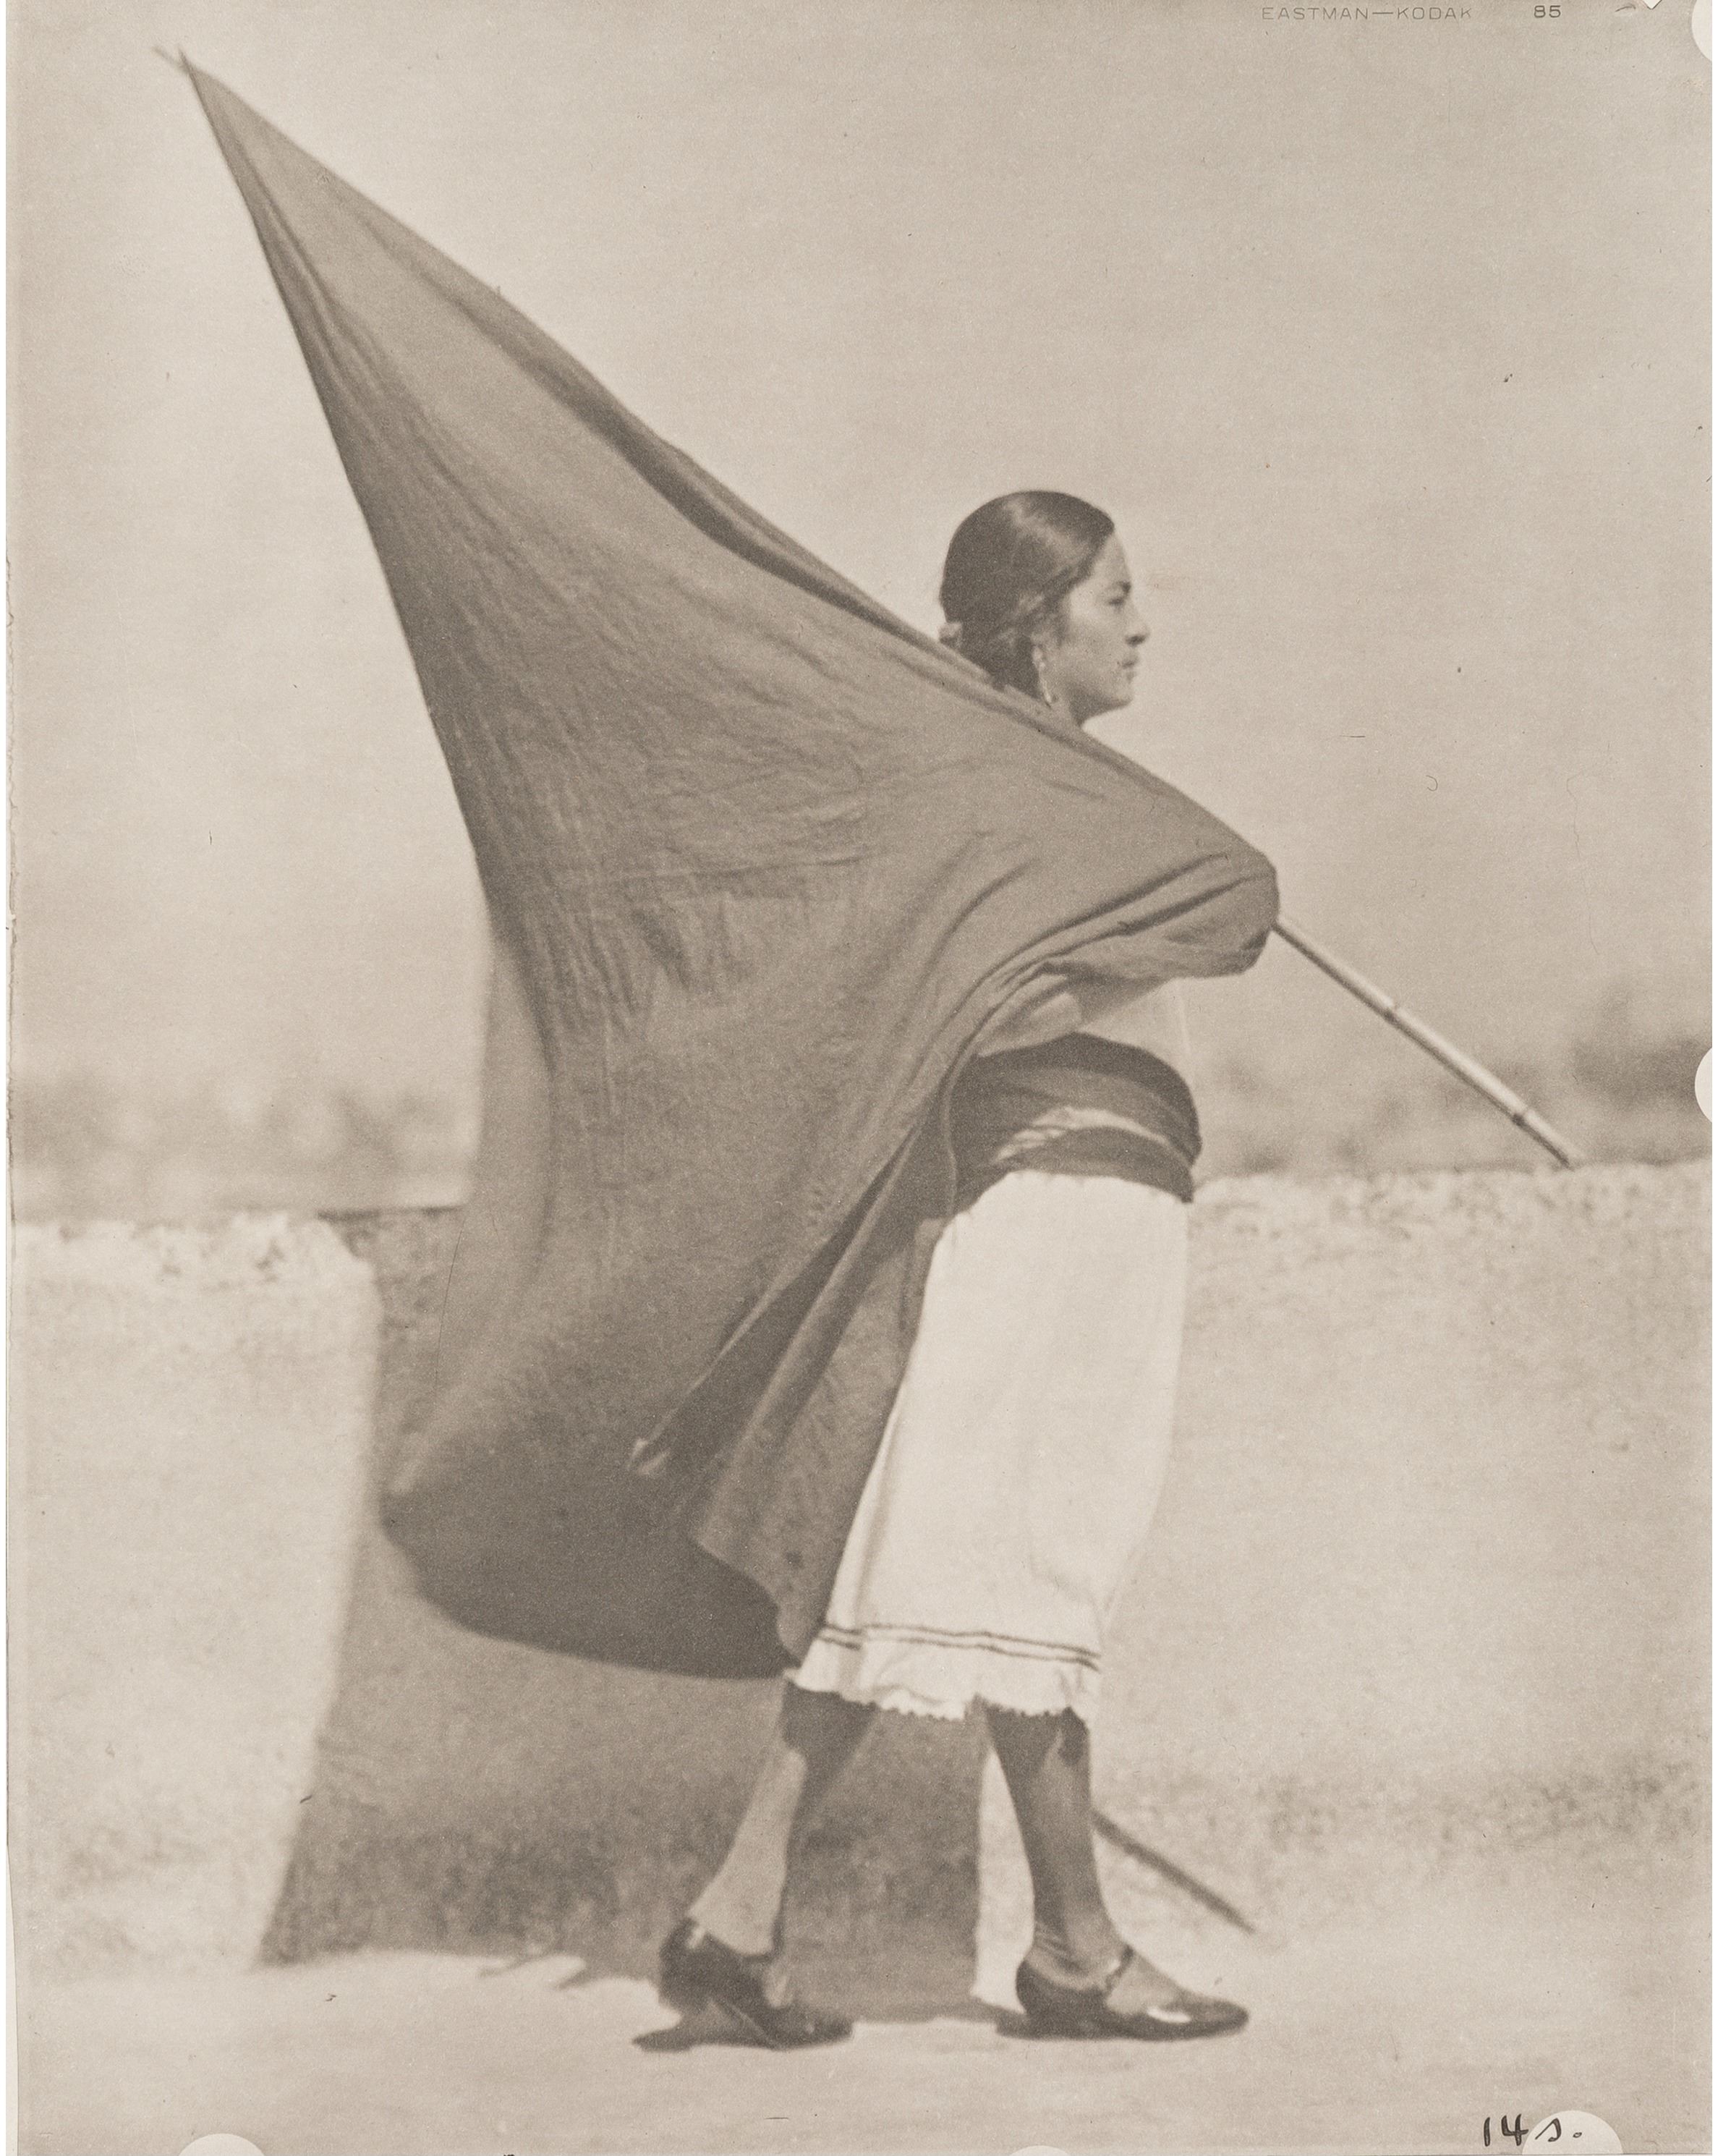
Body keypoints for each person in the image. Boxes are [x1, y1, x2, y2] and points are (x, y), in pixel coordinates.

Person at [658, 493, 1249, 2050]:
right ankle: (1071, 1949)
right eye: (1115, 598)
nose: (1141, 623)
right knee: (1007, 1563)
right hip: (1048, 1209)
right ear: (1037, 626)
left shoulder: (1039, 789)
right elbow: (1016, 978)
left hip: (1080, 1204)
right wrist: (1161, 885)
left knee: (940, 1570)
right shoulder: (1008, 797)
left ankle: (751, 1915)